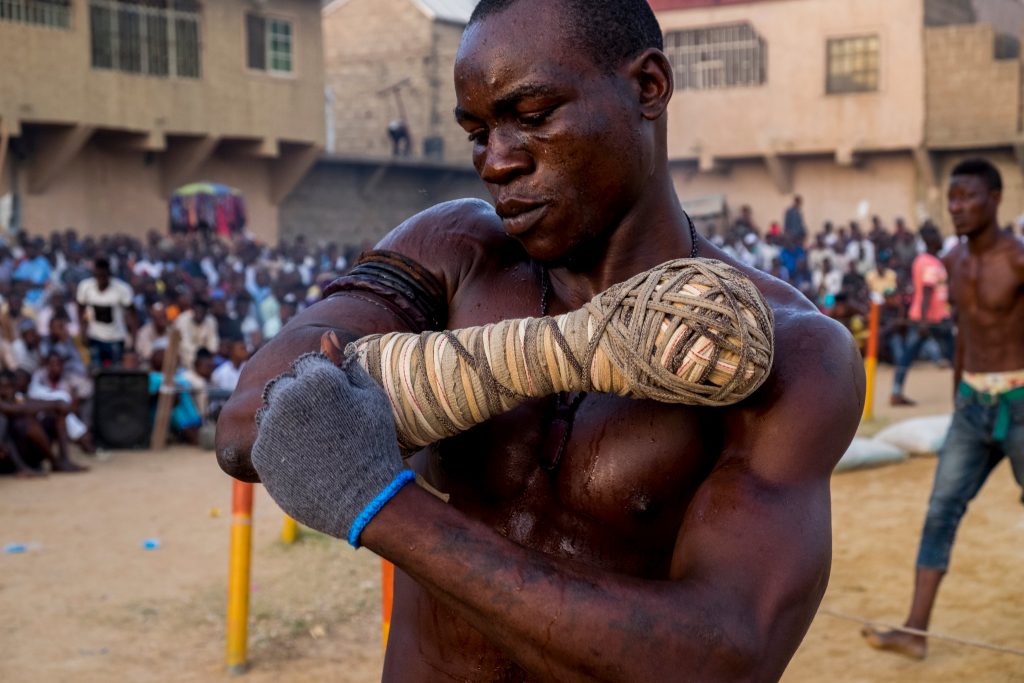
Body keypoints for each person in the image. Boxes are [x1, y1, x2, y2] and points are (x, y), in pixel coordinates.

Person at [217, 1, 864, 679]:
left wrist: (381, 504)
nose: (496, 163)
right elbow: (246, 427)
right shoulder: (455, 253)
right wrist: (568, 350)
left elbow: (726, 656)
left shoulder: (784, 351)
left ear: (649, 88)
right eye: (477, 131)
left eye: (533, 117)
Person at [863, 159, 1024, 659]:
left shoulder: (1018, 261)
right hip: (971, 408)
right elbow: (962, 339)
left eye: (967, 197)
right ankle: (914, 631)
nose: (956, 207)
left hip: (1021, 404)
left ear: (995, 199)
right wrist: (959, 398)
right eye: (951, 198)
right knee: (940, 513)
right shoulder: (952, 263)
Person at [890, 224, 953, 406]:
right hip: (930, 319)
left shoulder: (927, 260)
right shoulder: (929, 263)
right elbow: (926, 292)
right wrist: (924, 322)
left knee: (908, 355)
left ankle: (896, 392)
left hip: (933, 316)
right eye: (939, 237)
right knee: (953, 354)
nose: (942, 240)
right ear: (931, 241)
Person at [76, 257, 135, 368]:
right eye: (98, 276)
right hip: (94, 336)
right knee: (96, 371)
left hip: (116, 338)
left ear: (109, 274)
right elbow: (80, 308)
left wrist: (133, 339)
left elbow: (132, 314)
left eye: (104, 276)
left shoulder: (122, 289)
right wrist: (82, 330)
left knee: (115, 372)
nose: (101, 279)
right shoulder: (85, 287)